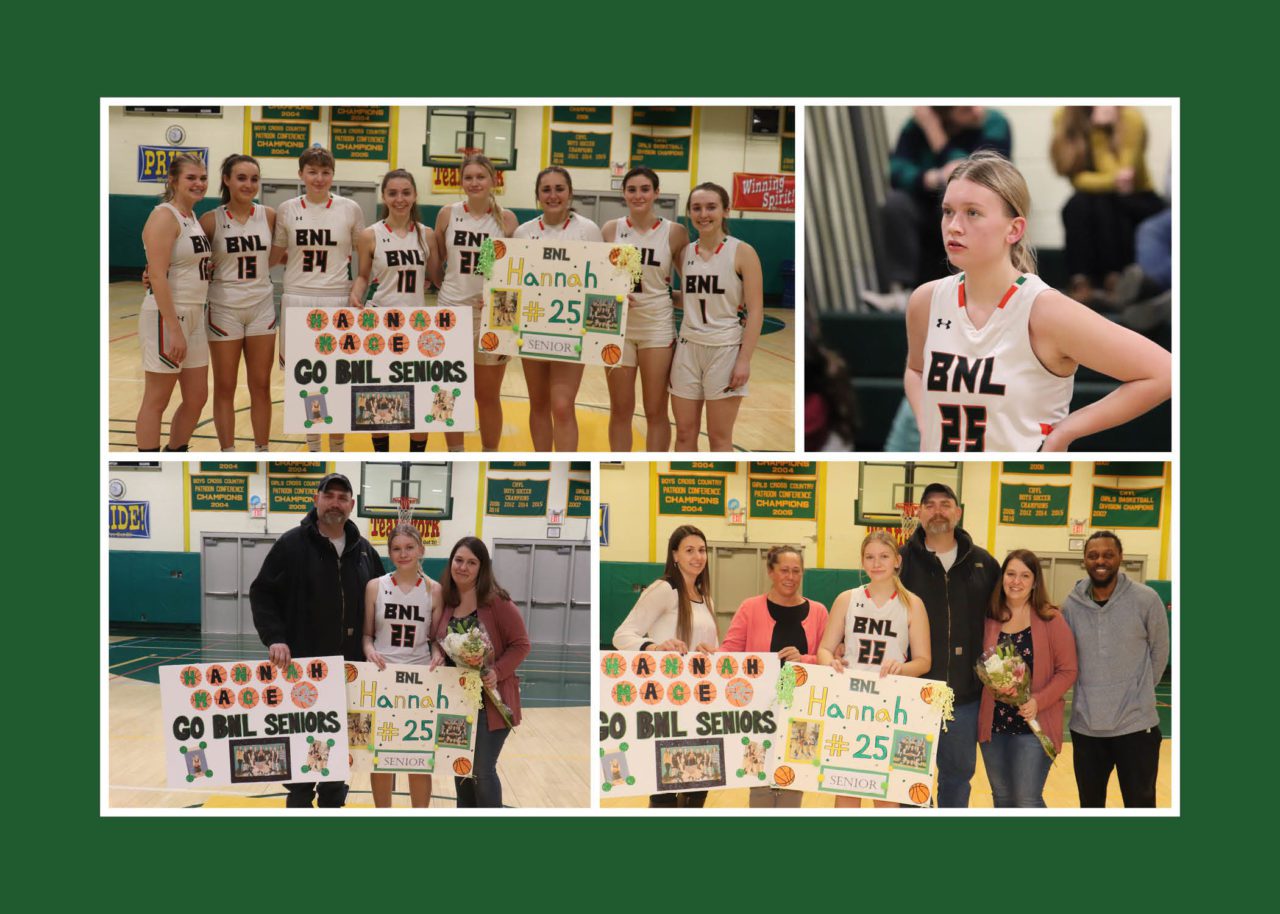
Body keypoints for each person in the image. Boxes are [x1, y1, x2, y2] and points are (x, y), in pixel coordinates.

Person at [904, 151, 1171, 452]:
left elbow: (1165, 372)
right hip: (951, 482)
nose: (953, 225)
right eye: (948, 211)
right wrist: (926, 423)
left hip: (1023, 489)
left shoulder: (1045, 310)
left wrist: (1065, 432)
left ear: (1014, 229)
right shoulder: (926, 301)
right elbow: (915, 371)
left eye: (973, 212)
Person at [249, 473, 384, 808]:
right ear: (316, 499)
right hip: (302, 673)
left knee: (336, 756)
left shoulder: (365, 552)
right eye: (329, 496)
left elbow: (382, 605)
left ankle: (332, 806)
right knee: (301, 755)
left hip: (349, 672)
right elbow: (262, 593)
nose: (335, 503)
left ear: (352, 505)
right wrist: (275, 638)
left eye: (342, 497)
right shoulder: (291, 544)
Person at [898, 483, 998, 807]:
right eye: (929, 505)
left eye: (945, 504)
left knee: (957, 778)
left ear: (958, 512)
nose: (937, 510)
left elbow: (1006, 615)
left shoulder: (983, 563)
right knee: (910, 780)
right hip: (911, 695)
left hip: (963, 697)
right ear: (918, 514)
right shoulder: (900, 563)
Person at [819, 531, 931, 808]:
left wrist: (902, 669)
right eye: (869, 557)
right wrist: (829, 662)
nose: (876, 563)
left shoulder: (912, 604)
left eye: (883, 556)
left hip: (891, 707)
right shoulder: (846, 599)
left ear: (897, 560)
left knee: (887, 796)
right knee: (846, 793)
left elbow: (924, 661)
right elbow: (824, 649)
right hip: (849, 706)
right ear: (862, 561)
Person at [612, 525, 718, 808]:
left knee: (699, 787)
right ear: (674, 555)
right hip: (667, 705)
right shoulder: (664, 589)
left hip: (699, 703)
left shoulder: (704, 596)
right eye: (689, 550)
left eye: (702, 550)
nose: (698, 557)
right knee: (666, 792)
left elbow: (710, 647)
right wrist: (654, 648)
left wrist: (710, 653)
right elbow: (622, 635)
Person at [1061, 531, 1168, 807]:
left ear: (1120, 558)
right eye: (1093, 555)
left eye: (1108, 554)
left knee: (1141, 806)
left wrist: (1138, 692)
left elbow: (1160, 651)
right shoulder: (1070, 605)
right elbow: (1065, 659)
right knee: (1091, 806)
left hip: (1136, 727)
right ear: (1084, 559)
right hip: (1086, 728)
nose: (1101, 560)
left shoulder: (1147, 599)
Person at [720, 545, 829, 809]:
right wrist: (704, 657)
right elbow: (728, 654)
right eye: (784, 570)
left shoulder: (819, 612)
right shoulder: (750, 608)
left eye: (796, 571)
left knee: (793, 781)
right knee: (758, 781)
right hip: (757, 711)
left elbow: (830, 660)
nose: (790, 576)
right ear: (771, 571)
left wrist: (804, 659)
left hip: (802, 710)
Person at [271, 147, 364, 452]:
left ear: (332, 175)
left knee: (339, 380)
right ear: (301, 175)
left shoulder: (350, 208)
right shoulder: (286, 209)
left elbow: (367, 253)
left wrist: (358, 289)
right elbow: (273, 254)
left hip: (337, 297)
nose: (319, 178)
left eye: (325, 172)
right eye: (312, 171)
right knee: (308, 381)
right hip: (297, 297)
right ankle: (313, 443)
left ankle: (337, 446)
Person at [870, 106, 1012, 305]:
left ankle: (967, 288)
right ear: (944, 114)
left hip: (973, 205)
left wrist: (935, 134)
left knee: (955, 201)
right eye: (966, 109)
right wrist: (931, 177)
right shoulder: (916, 127)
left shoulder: (993, 122)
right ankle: (900, 292)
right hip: (923, 203)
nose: (977, 111)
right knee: (895, 203)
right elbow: (896, 173)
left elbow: (978, 175)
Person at [430, 536, 530, 808]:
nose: (463, 567)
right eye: (458, 560)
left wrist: (497, 671)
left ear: (482, 568)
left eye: (471, 562)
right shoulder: (447, 600)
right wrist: (437, 653)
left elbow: (521, 644)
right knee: (461, 769)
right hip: (456, 702)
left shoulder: (496, 602)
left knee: (482, 771)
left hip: (492, 702)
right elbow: (436, 639)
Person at [977, 549, 1077, 808]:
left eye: (1024, 575)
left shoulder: (1050, 618)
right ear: (1002, 578)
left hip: (1034, 725)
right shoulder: (989, 618)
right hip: (995, 725)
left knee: (1026, 800)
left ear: (1035, 582)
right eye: (1010, 574)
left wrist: (1038, 701)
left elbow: (1068, 670)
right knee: (1002, 798)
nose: (1016, 581)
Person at [432, 154, 518, 452]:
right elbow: (437, 260)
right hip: (452, 311)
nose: (474, 182)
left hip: (493, 316)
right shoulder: (447, 214)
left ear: (494, 180)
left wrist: (498, 300)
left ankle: (488, 453)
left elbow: (512, 273)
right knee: (446, 391)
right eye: (468, 177)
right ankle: (456, 453)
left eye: (481, 176)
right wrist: (444, 287)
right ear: (461, 181)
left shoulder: (506, 220)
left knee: (488, 394)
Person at [513, 166, 602, 451]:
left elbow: (601, 280)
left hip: (573, 332)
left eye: (559, 189)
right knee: (538, 404)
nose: (553, 195)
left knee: (562, 406)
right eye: (546, 189)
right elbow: (509, 281)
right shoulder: (522, 232)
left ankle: (563, 467)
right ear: (538, 195)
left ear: (570, 192)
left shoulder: (588, 230)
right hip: (532, 329)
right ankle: (544, 464)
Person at [670, 183, 764, 452]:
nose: (704, 214)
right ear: (689, 213)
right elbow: (688, 299)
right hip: (687, 349)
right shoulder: (685, 252)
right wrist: (655, 295)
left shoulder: (743, 252)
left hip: (725, 351)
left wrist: (744, 360)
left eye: (711, 207)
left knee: (719, 438)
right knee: (685, 435)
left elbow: (756, 311)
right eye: (697, 208)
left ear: (726, 210)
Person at [601, 167, 688, 451]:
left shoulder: (674, 232)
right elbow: (598, 282)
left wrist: (666, 296)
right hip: (618, 327)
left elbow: (691, 284)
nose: (638, 195)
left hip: (657, 328)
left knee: (655, 410)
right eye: (632, 189)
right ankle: (617, 464)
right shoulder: (611, 230)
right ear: (624, 193)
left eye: (645, 189)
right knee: (621, 409)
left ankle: (654, 466)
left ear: (656, 193)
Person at [352, 169, 435, 454]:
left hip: (416, 325)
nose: (400, 199)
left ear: (414, 196)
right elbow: (363, 276)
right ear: (384, 197)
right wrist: (355, 295)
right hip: (381, 322)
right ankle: (381, 455)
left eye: (406, 193)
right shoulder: (369, 235)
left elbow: (437, 279)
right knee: (381, 399)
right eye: (393, 193)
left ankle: (417, 456)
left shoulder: (428, 235)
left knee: (420, 398)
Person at [1050, 106, 1166, 306]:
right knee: (1076, 205)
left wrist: (1099, 134)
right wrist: (1108, 181)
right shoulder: (1064, 116)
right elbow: (1071, 173)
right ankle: (1081, 282)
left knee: (1109, 204)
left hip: (1138, 198)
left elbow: (1124, 178)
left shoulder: (1130, 117)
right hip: (1092, 198)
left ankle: (1115, 281)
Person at [199, 154, 276, 452]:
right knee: (225, 386)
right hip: (224, 308)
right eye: (241, 178)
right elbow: (188, 257)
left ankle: (262, 449)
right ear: (227, 181)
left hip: (261, 307)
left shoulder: (268, 216)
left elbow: (279, 255)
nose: (248, 184)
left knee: (261, 385)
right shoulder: (210, 220)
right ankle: (228, 450)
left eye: (254, 179)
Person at [135, 153, 211, 452]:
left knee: (197, 397)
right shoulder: (164, 215)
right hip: (167, 315)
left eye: (203, 178)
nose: (199, 183)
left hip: (194, 313)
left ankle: (176, 450)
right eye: (191, 177)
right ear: (173, 180)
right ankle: (150, 456)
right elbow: (157, 274)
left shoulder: (191, 217)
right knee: (157, 399)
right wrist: (173, 327)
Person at [363, 523, 441, 808]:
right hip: (383, 677)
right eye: (396, 548)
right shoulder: (375, 586)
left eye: (409, 547)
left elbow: (436, 639)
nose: (403, 553)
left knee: (418, 757)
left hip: (421, 680)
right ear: (389, 553)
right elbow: (367, 635)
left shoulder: (435, 590)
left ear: (421, 549)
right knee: (381, 755)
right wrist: (369, 650)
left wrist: (438, 652)